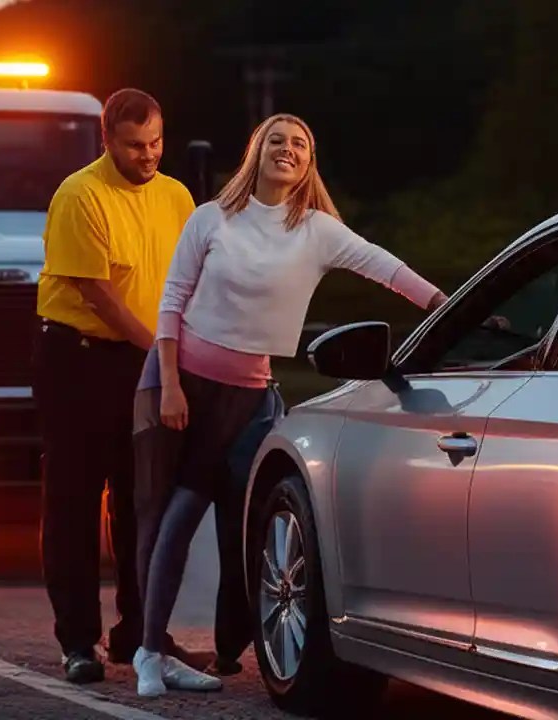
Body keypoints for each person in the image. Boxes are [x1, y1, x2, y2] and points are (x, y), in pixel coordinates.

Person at [130, 112, 449, 697]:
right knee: (173, 516)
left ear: (308, 163)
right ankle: (150, 652)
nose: (288, 149)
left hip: (252, 394)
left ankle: (235, 648)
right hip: (187, 385)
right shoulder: (212, 219)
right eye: (276, 140)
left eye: (299, 144)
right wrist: (171, 385)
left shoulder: (318, 231)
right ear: (257, 152)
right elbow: (171, 303)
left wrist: (446, 306)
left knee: (254, 522)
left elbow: (384, 266)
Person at [33, 87, 211, 685]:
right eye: (135, 145)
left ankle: (142, 636)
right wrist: (162, 352)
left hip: (145, 359)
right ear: (106, 140)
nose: (149, 154)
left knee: (145, 500)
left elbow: (192, 279)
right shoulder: (80, 194)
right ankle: (78, 642)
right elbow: (97, 294)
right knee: (75, 501)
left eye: (156, 142)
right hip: (80, 360)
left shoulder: (178, 196)